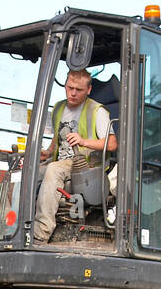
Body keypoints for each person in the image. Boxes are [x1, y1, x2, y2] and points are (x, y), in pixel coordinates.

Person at [33, 69, 118, 245]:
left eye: (78, 90)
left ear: (88, 90)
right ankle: (14, 226)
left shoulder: (97, 111)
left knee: (53, 170)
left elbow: (112, 144)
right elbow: (57, 140)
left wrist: (84, 141)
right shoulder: (58, 108)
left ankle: (40, 233)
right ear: (65, 86)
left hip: (86, 164)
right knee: (27, 171)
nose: (73, 93)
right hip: (60, 160)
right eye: (70, 87)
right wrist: (48, 152)